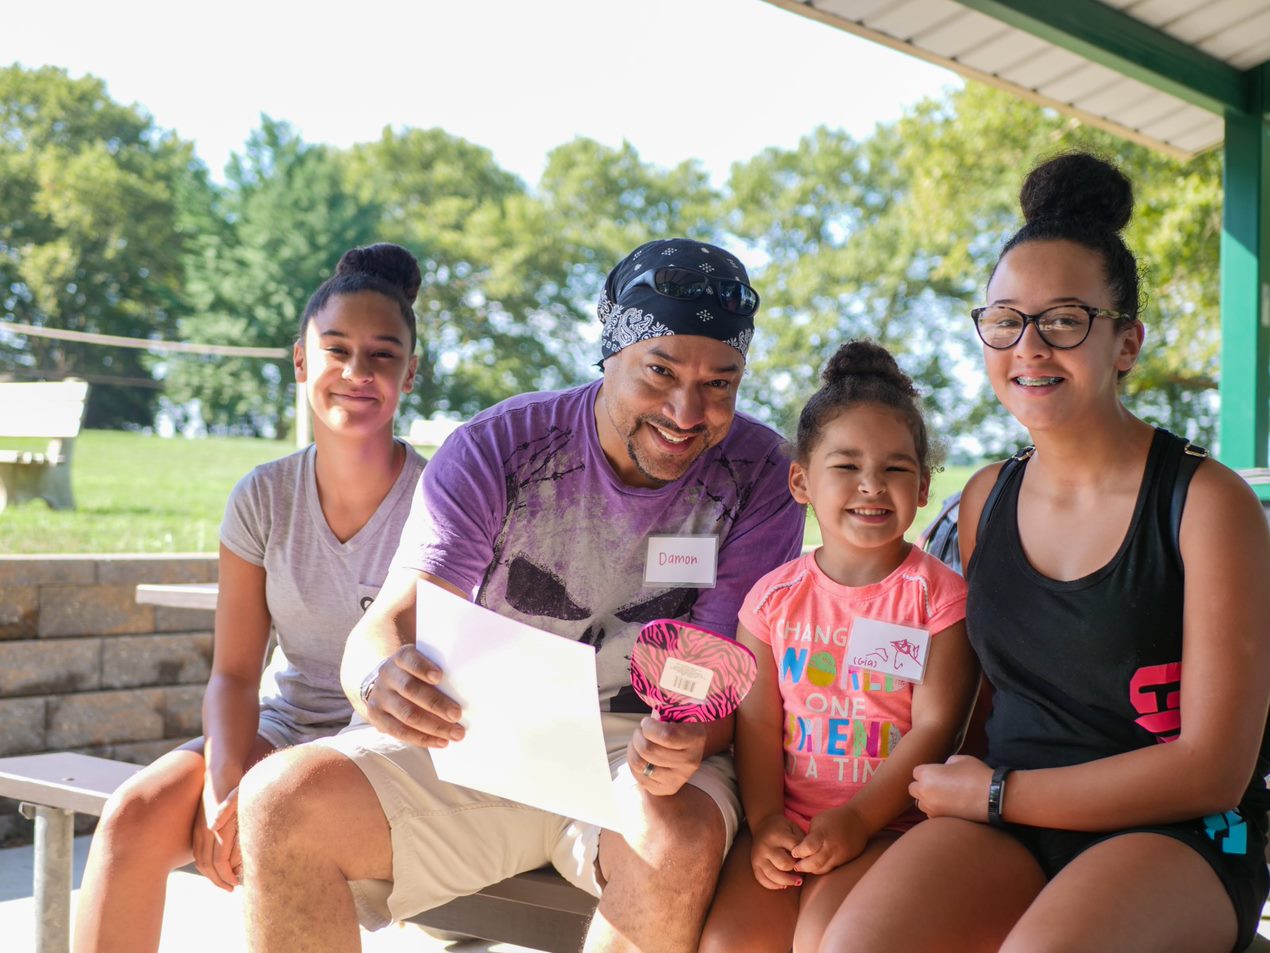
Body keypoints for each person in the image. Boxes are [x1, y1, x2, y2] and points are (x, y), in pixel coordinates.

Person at [234, 239, 808, 953]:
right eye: (659, 371)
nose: (687, 410)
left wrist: (692, 734)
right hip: (485, 739)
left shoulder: (760, 473)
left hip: (643, 757)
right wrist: (378, 679)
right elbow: (392, 620)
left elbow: (718, 673)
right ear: (609, 357)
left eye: (720, 383)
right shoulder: (499, 446)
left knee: (672, 841)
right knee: (278, 803)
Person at [820, 153, 1270, 953]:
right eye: (1005, 319)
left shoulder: (1206, 502)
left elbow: (1213, 768)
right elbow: (968, 697)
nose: (1029, 346)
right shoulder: (986, 496)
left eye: (1065, 319)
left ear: (1126, 342)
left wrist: (996, 794)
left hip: (1178, 834)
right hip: (1004, 822)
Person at [72, 244, 427, 953]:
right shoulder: (262, 496)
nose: (358, 373)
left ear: (410, 374)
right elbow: (234, 673)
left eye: (382, 355)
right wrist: (223, 787)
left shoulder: (442, 496)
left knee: (279, 819)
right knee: (131, 817)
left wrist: (255, 800)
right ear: (301, 361)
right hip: (286, 728)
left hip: (391, 748)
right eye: (337, 350)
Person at [699, 341, 978, 953]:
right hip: (784, 823)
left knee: (823, 938)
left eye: (897, 469)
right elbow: (758, 718)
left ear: (925, 484)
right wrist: (766, 821)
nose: (872, 486)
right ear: (801, 480)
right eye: (847, 466)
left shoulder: (937, 598)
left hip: (890, 827)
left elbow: (938, 729)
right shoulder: (772, 599)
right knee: (728, 946)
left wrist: (858, 820)